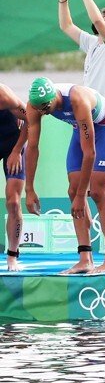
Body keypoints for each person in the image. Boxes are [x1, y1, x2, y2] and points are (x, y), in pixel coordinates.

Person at [24, 79, 105, 275]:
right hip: (81, 131)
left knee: (97, 192)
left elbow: (90, 153)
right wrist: (29, 188)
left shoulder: (78, 100)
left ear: (54, 97)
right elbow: (32, 147)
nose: (42, 112)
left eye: (46, 108)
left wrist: (80, 196)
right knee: (72, 190)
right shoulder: (34, 106)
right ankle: (85, 258)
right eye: (39, 109)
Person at [0, 86, 27, 272]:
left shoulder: (3, 95)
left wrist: (17, 150)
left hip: (12, 143)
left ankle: (12, 255)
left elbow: (31, 119)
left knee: (13, 202)